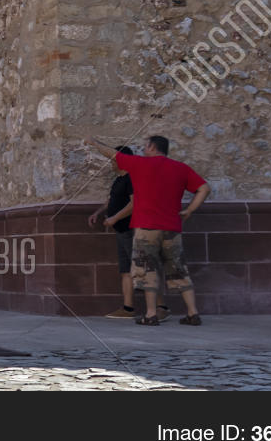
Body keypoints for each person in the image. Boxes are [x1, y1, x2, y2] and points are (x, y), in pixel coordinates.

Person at [85, 134, 209, 325]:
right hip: (172, 228)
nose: (143, 149)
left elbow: (112, 154)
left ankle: (151, 314)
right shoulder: (181, 168)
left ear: (151, 147)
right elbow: (204, 188)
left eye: (145, 146)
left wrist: (94, 142)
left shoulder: (140, 164)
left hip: (146, 228)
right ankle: (193, 313)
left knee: (146, 270)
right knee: (178, 270)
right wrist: (189, 210)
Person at [88, 146, 145, 320]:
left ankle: (159, 308)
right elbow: (111, 201)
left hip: (131, 230)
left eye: (112, 159)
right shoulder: (119, 179)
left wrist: (114, 218)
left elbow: (135, 204)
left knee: (143, 269)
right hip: (121, 231)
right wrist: (97, 213)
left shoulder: (132, 178)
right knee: (126, 270)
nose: (110, 162)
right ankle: (128, 308)